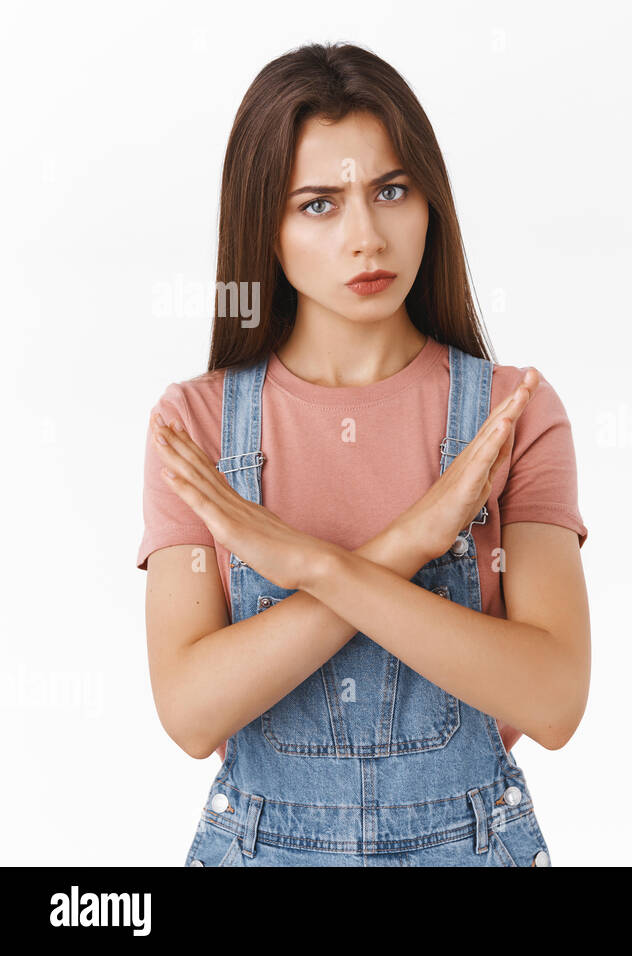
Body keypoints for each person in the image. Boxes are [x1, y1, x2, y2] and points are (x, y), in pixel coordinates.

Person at [138, 42, 590, 866]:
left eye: (391, 190)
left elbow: (555, 700)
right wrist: (405, 544)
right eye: (318, 204)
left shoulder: (511, 413)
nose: (366, 236)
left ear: (429, 202)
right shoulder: (195, 427)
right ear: (263, 226)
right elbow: (191, 712)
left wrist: (323, 567)